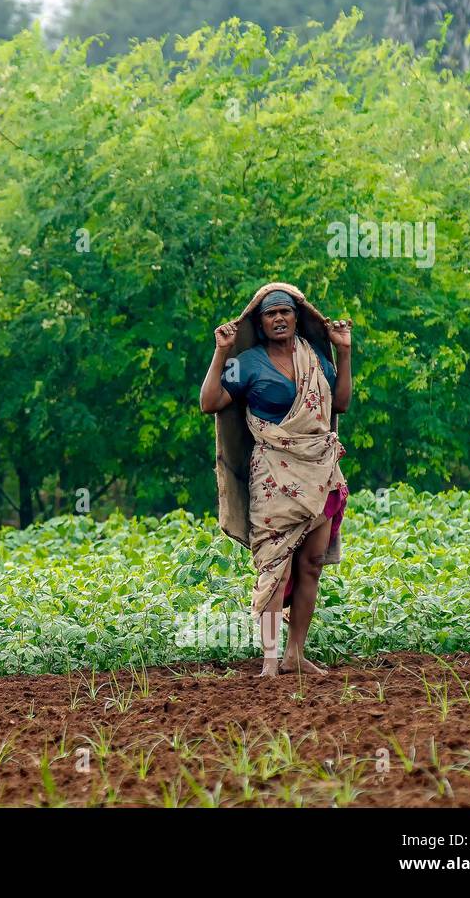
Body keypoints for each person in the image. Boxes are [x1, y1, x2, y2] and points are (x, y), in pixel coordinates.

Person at [199, 283, 353, 677]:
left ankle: (295, 654)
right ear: (261, 322)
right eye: (271, 314)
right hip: (273, 475)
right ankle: (270, 660)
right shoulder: (247, 363)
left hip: (318, 470)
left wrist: (344, 351)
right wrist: (220, 353)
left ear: (296, 317)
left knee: (312, 563)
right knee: (275, 565)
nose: (279, 318)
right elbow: (209, 402)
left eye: (286, 311)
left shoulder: (315, 356)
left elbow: (341, 403)